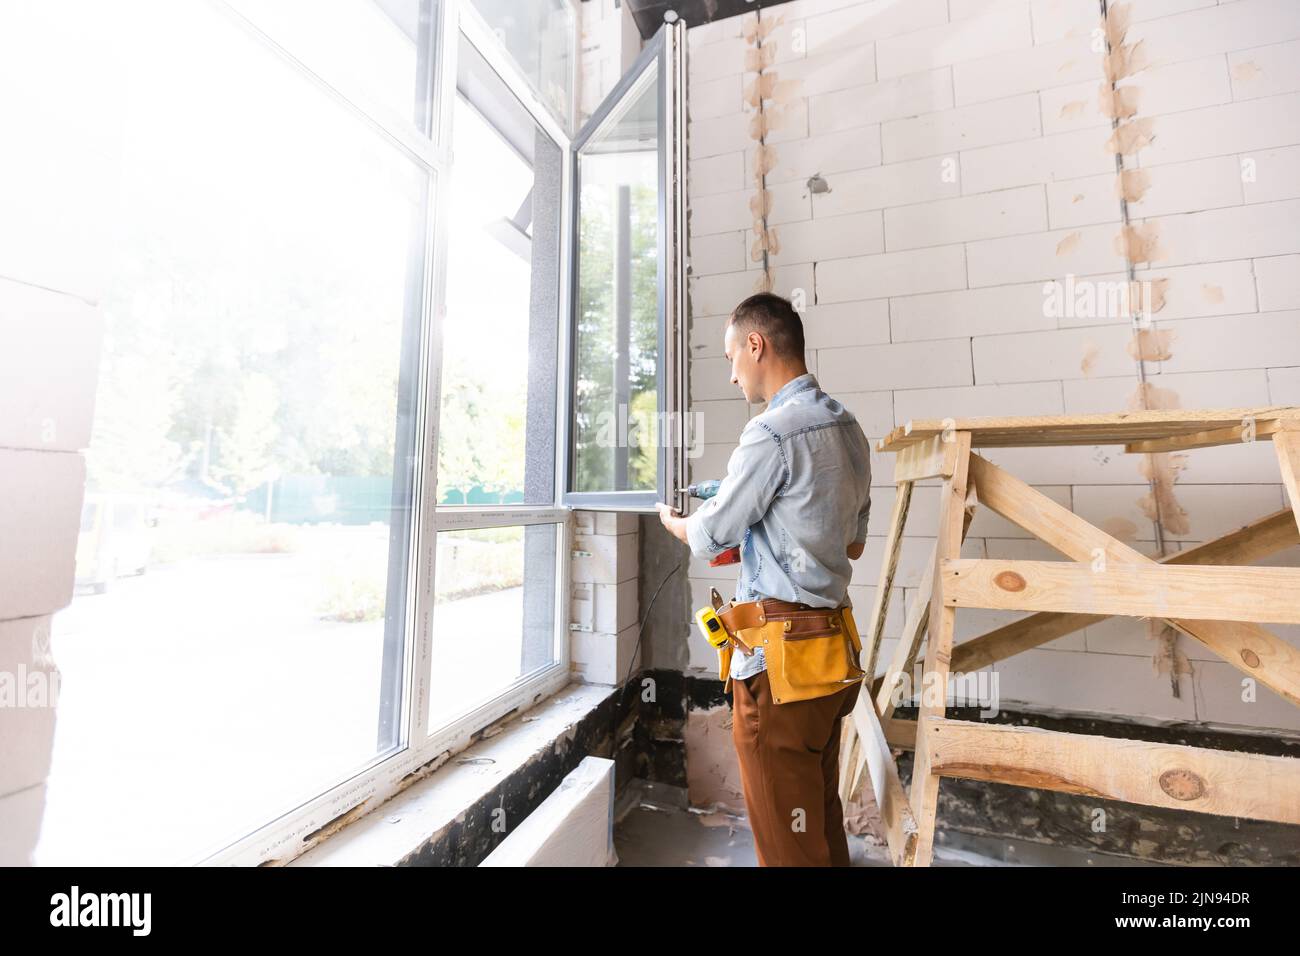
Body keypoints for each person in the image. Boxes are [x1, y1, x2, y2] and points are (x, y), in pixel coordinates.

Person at [656, 291, 873, 867]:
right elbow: (847, 540)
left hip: (778, 675)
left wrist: (677, 524)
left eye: (731, 357)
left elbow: (711, 536)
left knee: (786, 845)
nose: (731, 375)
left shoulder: (770, 432)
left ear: (757, 345)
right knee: (817, 824)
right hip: (828, 666)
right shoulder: (847, 428)